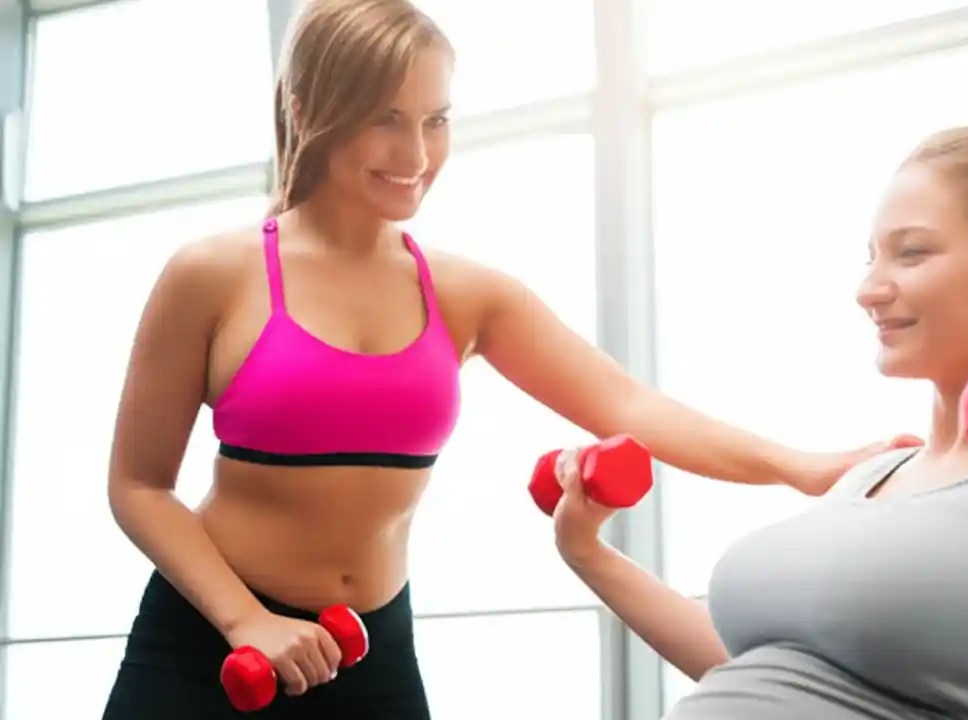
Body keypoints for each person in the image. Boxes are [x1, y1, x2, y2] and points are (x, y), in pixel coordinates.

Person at [99, 1, 916, 718]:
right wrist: (247, 620)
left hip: (372, 659)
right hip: (208, 649)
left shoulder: (465, 294)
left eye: (436, 119)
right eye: (385, 117)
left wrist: (801, 467)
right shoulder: (211, 275)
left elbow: (631, 408)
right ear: (311, 107)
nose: (417, 151)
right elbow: (138, 485)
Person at [550, 126, 968, 719]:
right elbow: (765, 669)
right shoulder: (879, 470)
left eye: (911, 255)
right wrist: (589, 553)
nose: (868, 289)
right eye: (872, 257)